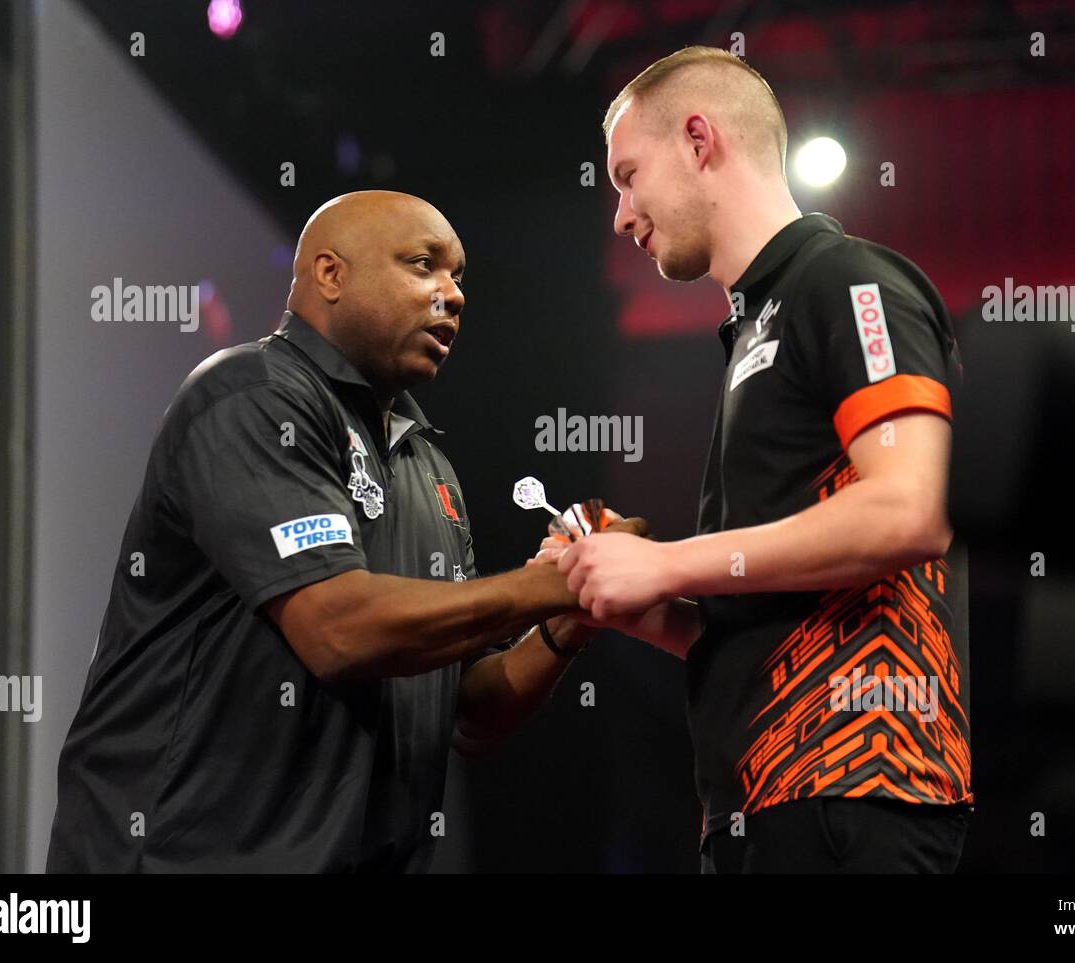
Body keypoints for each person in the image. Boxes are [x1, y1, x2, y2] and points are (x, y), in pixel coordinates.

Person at [46, 190, 637, 873]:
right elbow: (338, 630)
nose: (453, 294)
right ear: (330, 274)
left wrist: (570, 617)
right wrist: (550, 583)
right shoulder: (252, 396)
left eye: (460, 277)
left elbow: (471, 710)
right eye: (424, 265)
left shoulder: (430, 467)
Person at [551, 46, 974, 873]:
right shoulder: (754, 331)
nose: (621, 214)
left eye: (628, 175)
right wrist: (623, 591)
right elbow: (756, 612)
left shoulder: (848, 282)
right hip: (762, 804)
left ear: (699, 140)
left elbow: (906, 512)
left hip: (858, 785)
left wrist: (666, 562)